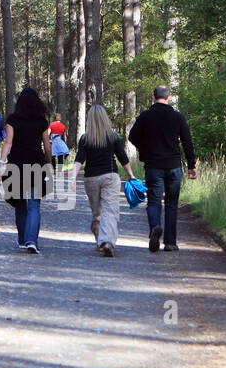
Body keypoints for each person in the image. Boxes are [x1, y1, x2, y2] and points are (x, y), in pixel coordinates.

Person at [127, 85, 197, 253]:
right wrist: (191, 165)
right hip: (173, 166)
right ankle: (171, 242)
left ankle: (154, 228)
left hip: (153, 165)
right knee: (172, 204)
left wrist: (145, 150)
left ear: (153, 98)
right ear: (169, 98)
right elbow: (187, 141)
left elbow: (132, 137)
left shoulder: (145, 116)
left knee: (154, 201)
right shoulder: (177, 117)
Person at [72, 104, 136, 257]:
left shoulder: (85, 138)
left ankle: (102, 240)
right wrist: (131, 175)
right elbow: (122, 157)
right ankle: (106, 241)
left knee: (97, 212)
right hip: (110, 176)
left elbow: (79, 159)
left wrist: (73, 178)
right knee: (110, 210)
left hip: (91, 179)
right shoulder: (112, 136)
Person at [0, 87, 51, 253]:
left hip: (16, 165)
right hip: (37, 165)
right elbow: (47, 146)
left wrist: (1, 162)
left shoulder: (13, 120)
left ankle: (22, 239)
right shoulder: (42, 121)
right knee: (34, 205)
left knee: (19, 202)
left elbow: (8, 142)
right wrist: (49, 164)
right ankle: (31, 240)